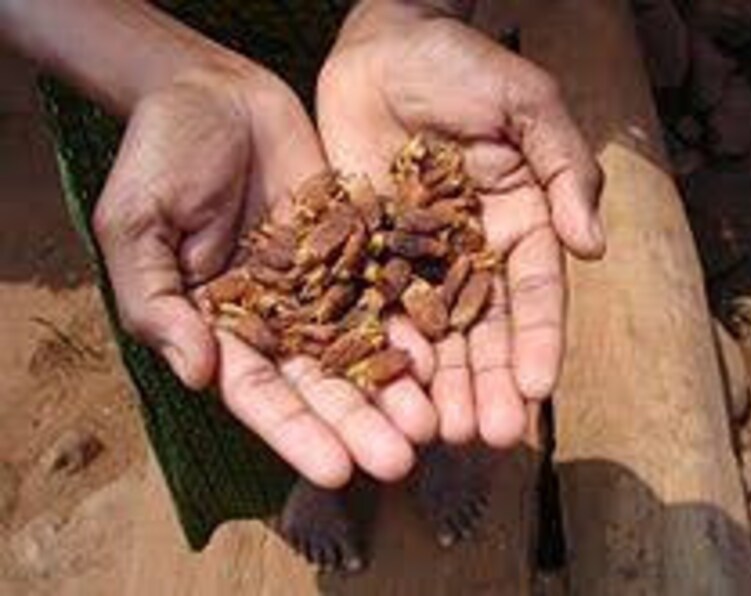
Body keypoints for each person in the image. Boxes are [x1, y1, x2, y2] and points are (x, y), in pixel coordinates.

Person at [0, 0, 604, 570]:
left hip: (354, 52)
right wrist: (164, 70)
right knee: (215, 342)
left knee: (423, 372)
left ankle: (430, 435)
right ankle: (304, 475)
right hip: (122, 62)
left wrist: (405, 11)